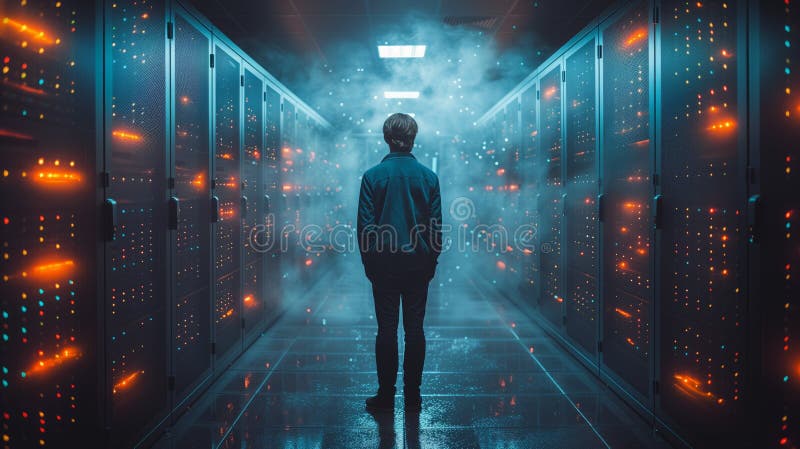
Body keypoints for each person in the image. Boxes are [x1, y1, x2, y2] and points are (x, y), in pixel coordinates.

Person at [357, 113, 442, 412]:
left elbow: (365, 227)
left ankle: (385, 396)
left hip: (384, 265)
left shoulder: (372, 177)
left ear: (386, 138)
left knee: (387, 330)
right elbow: (435, 227)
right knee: (415, 329)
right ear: (413, 138)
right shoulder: (429, 178)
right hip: (418, 264)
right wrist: (431, 262)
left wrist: (370, 264)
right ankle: (414, 396)